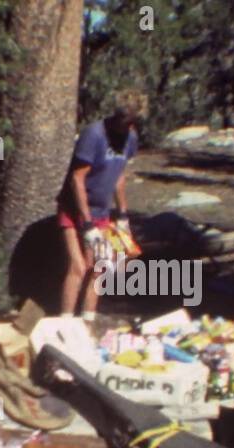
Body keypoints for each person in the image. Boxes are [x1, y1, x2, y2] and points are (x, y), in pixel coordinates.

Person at [56, 89, 148, 322]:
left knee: (99, 267)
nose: (129, 127)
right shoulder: (94, 134)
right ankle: (65, 322)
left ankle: (87, 320)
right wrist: (86, 223)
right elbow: (77, 179)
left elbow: (119, 176)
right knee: (78, 266)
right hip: (75, 209)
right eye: (126, 122)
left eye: (133, 123)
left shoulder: (131, 138)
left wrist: (123, 214)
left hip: (102, 212)